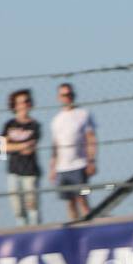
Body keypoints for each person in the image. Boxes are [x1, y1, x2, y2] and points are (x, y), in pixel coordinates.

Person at [50, 83, 97, 220]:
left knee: (82, 199)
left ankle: (89, 226)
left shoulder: (83, 114)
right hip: (62, 168)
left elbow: (91, 138)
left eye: (70, 94)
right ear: (59, 97)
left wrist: (91, 160)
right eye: (64, 95)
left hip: (80, 165)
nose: (67, 98)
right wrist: (53, 167)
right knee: (69, 202)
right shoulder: (56, 120)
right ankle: (74, 230)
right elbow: (55, 145)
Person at [2, 89, 41, 225]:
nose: (25, 105)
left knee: (32, 206)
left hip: (30, 171)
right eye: (21, 102)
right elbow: (0, 148)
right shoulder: (8, 125)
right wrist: (22, 146)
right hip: (13, 171)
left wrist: (12, 145)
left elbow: (30, 148)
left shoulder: (35, 125)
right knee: (17, 209)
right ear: (15, 105)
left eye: (27, 101)